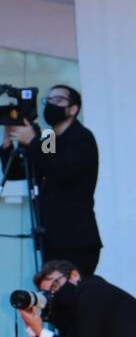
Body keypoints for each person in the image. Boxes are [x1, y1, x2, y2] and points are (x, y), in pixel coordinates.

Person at [1, 84, 103, 275]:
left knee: (73, 297)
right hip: (51, 238)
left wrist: (32, 141)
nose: (50, 104)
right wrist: (8, 143)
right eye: (48, 100)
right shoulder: (49, 138)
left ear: (73, 109)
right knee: (52, 299)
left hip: (75, 239)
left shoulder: (82, 137)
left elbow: (60, 170)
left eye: (57, 100)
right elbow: (21, 172)